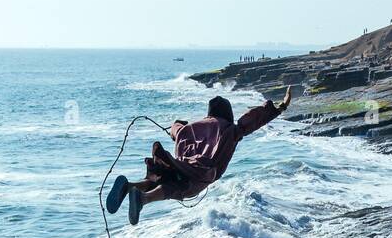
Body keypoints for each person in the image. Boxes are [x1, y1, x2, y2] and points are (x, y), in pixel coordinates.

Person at [107, 87, 293, 225]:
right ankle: (142, 199)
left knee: (163, 178)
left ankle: (129, 186)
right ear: (227, 114)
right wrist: (281, 107)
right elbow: (253, 119)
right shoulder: (230, 129)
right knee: (181, 188)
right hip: (201, 172)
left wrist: (178, 124)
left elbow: (176, 128)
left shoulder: (188, 128)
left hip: (179, 164)